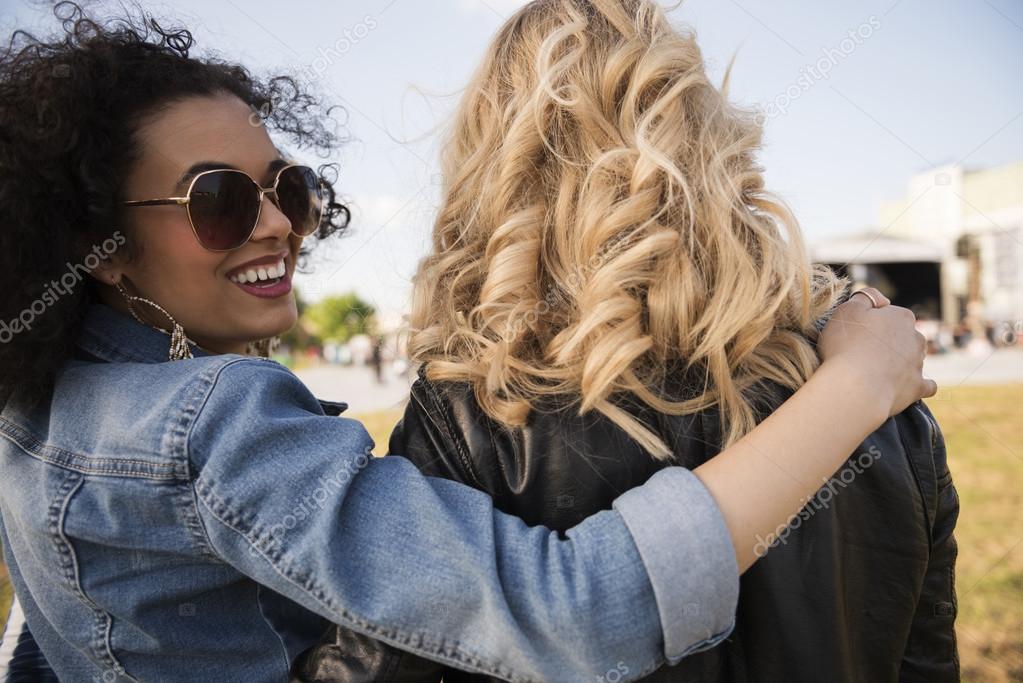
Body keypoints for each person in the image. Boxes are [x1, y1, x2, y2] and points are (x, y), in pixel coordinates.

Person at [0, 3, 934, 682]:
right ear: (99, 244)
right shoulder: (215, 421)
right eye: (220, 200)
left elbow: (52, 632)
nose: (278, 224)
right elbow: (580, 612)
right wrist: (856, 382)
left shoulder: (41, 406)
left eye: (288, 187)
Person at [306, 0, 958, 681]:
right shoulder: (881, 397)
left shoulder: (473, 417)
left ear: (495, 166)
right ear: (713, 151)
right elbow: (925, 662)